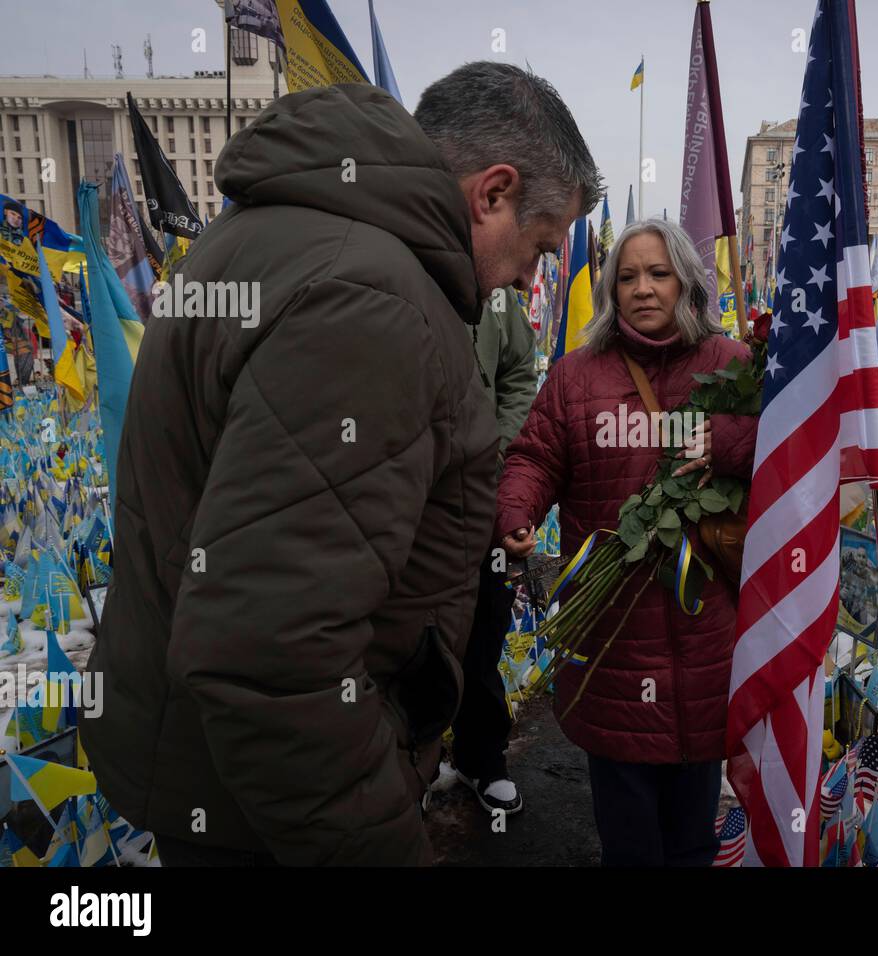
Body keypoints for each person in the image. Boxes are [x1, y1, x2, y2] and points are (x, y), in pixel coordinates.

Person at [81, 64, 601, 866]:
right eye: (539, 246)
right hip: (268, 816)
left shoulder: (276, 233)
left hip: (204, 771)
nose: (534, 278)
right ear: (492, 193)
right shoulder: (373, 300)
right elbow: (272, 652)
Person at [496, 219, 757, 866]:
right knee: (629, 837)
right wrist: (516, 508)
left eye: (658, 273)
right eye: (628, 276)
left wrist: (722, 443)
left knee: (692, 835)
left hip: (703, 635)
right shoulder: (576, 376)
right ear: (612, 290)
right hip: (610, 635)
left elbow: (792, 447)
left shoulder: (734, 367)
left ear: (686, 283)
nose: (643, 288)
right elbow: (533, 456)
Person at [452, 288, 538, 816]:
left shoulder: (500, 299)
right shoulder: (392, 266)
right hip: (406, 499)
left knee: (485, 632)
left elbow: (519, 377)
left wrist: (495, 451)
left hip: (483, 500)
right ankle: (407, 769)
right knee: (407, 638)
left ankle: (480, 757)